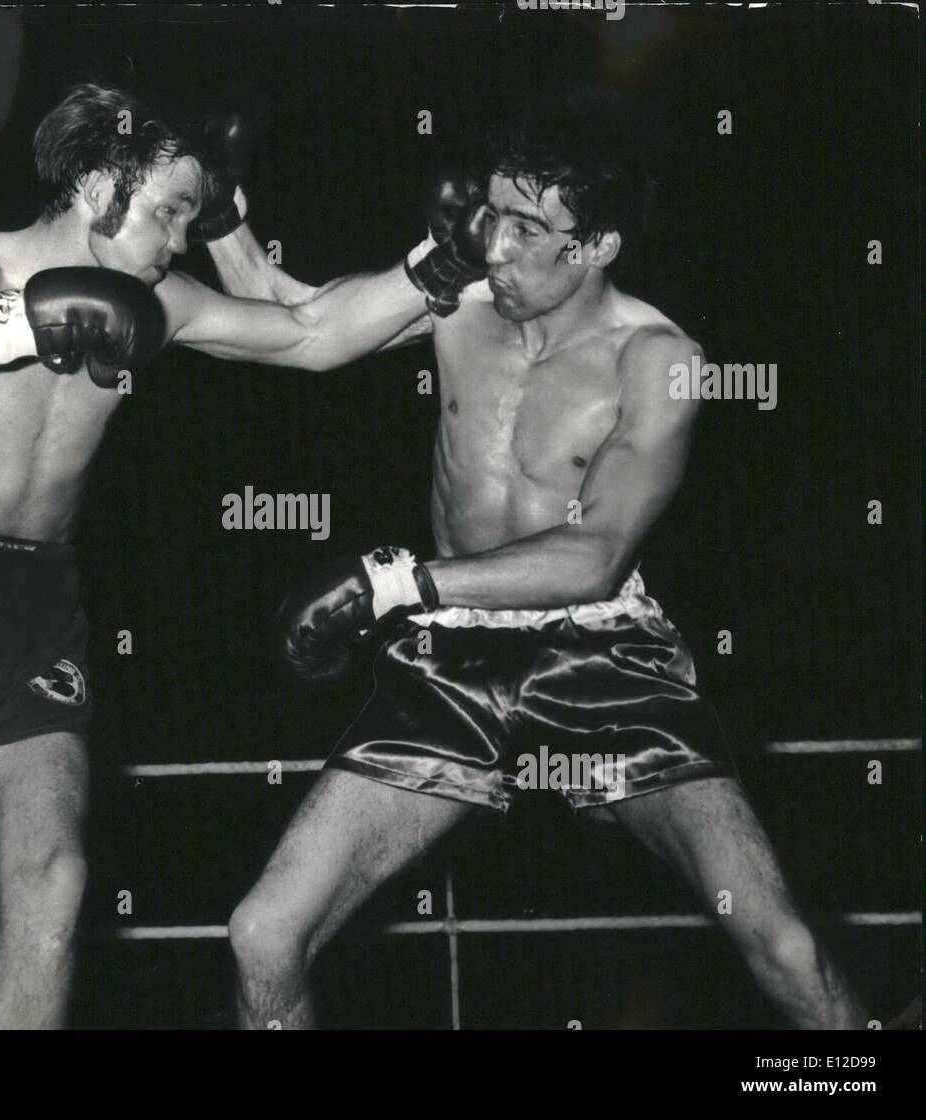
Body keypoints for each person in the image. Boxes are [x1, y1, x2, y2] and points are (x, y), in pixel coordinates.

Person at [0, 80, 441, 1029]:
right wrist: (1, 331)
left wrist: (432, 271)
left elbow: (314, 333)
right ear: (94, 182)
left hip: (34, 605)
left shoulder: (160, 302)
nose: (176, 238)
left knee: (55, 879)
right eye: (166, 211)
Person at [213, 88, 867, 1029]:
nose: (495, 247)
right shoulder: (462, 301)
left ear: (597, 245)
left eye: (527, 229)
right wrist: (230, 221)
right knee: (263, 933)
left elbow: (595, 554)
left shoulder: (657, 357)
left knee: (783, 944)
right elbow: (298, 325)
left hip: (602, 657)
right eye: (491, 217)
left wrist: (392, 583)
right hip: (450, 659)